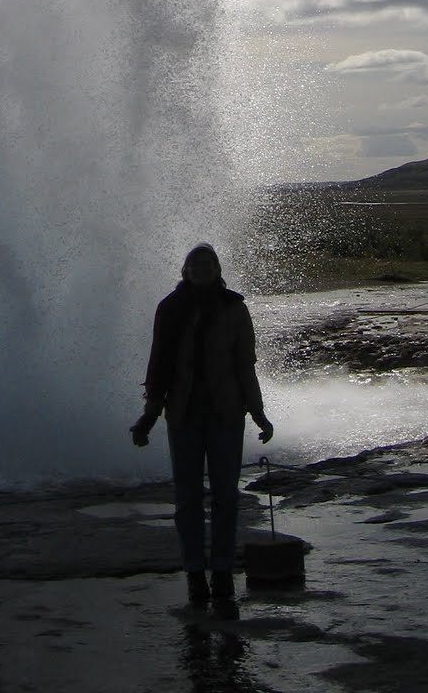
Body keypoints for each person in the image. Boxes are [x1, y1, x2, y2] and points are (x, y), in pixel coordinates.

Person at [130, 242, 274, 607]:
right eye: (195, 263)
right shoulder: (170, 308)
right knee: (188, 498)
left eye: (207, 262)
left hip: (226, 416)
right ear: (185, 270)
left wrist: (258, 413)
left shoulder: (234, 309)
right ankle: (195, 573)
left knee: (226, 496)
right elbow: (158, 366)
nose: (201, 268)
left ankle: (222, 571)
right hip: (183, 416)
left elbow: (245, 366)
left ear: (218, 269)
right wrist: (149, 415)